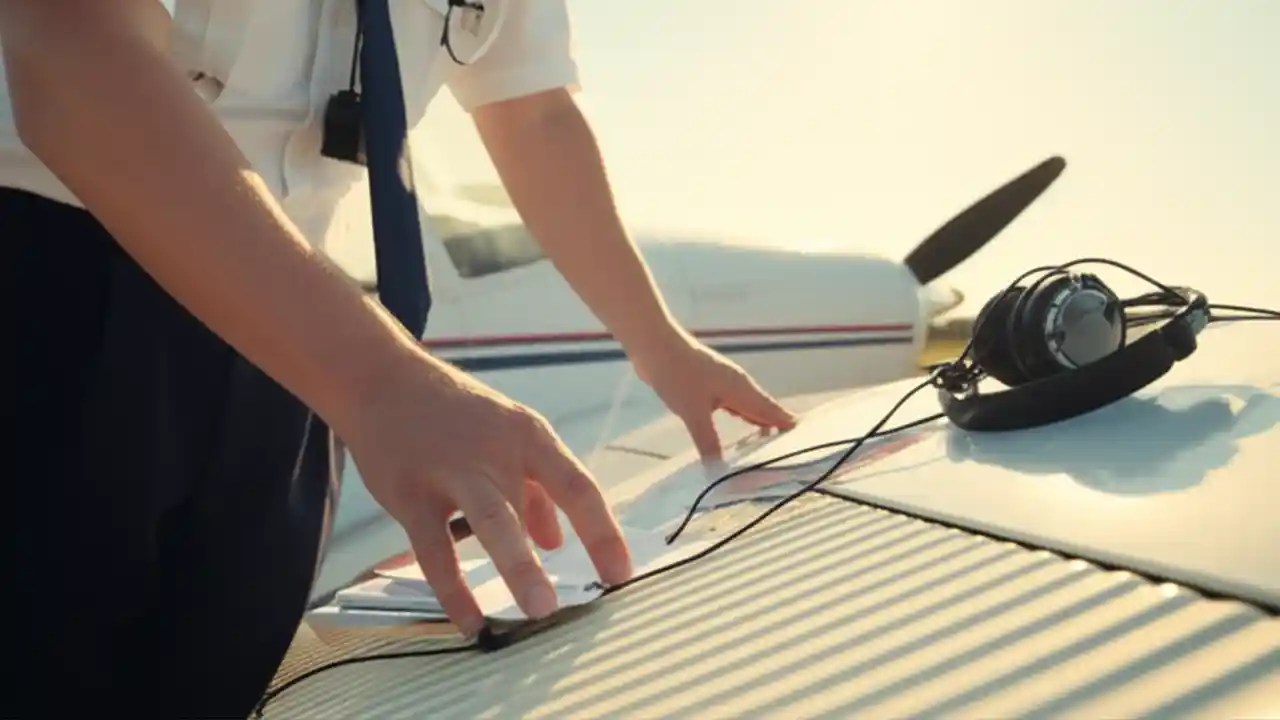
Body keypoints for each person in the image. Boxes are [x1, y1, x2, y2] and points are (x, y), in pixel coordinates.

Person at [3, 1, 796, 716]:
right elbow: (71, 50)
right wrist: (381, 381)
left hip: (295, 338)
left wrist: (660, 344)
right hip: (47, 293)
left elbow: (533, 113)